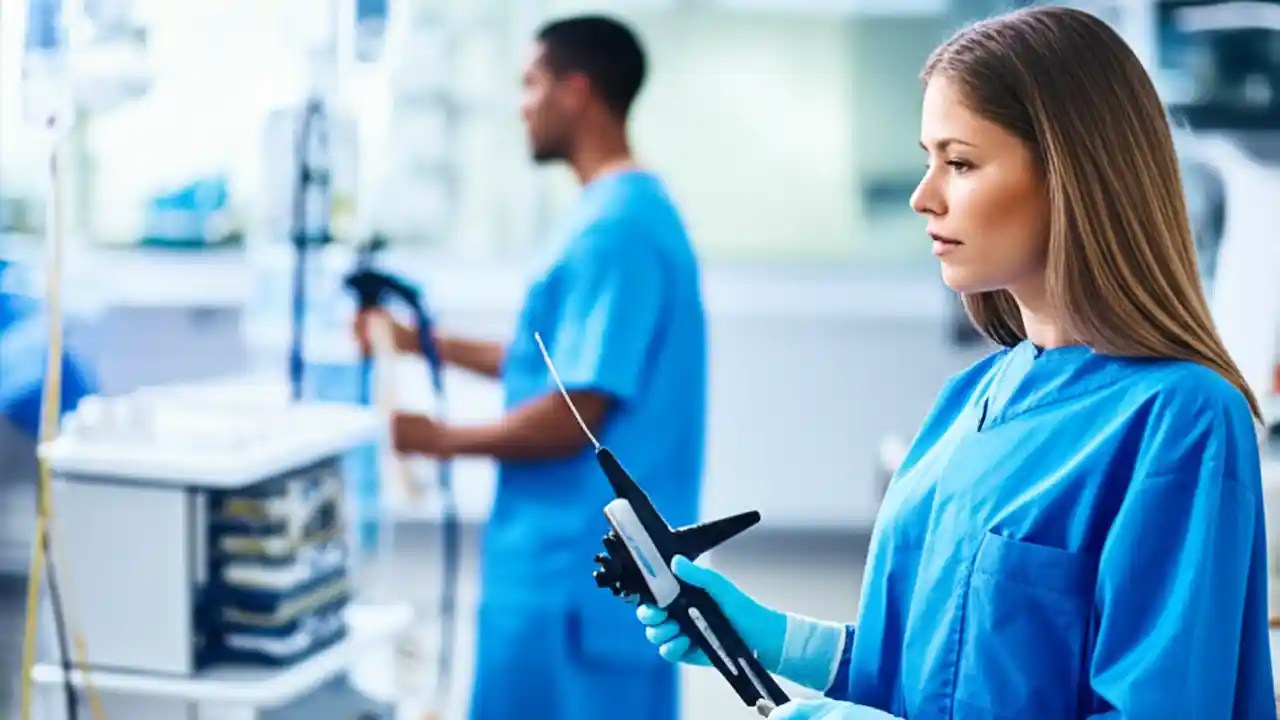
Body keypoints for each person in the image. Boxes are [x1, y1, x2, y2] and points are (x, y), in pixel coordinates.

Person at [635, 7, 1275, 720]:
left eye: (960, 162)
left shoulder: (1180, 418)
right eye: (927, 158)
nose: (923, 195)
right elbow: (939, 669)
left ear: (1073, 175)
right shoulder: (973, 398)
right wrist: (779, 641)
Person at [354, 15, 706, 720]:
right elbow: (542, 361)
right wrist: (416, 338)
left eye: (531, 83)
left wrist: (433, 439)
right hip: (553, 565)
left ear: (576, 92)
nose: (521, 104)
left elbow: (572, 413)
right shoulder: (609, 213)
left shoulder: (618, 227)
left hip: (572, 576)